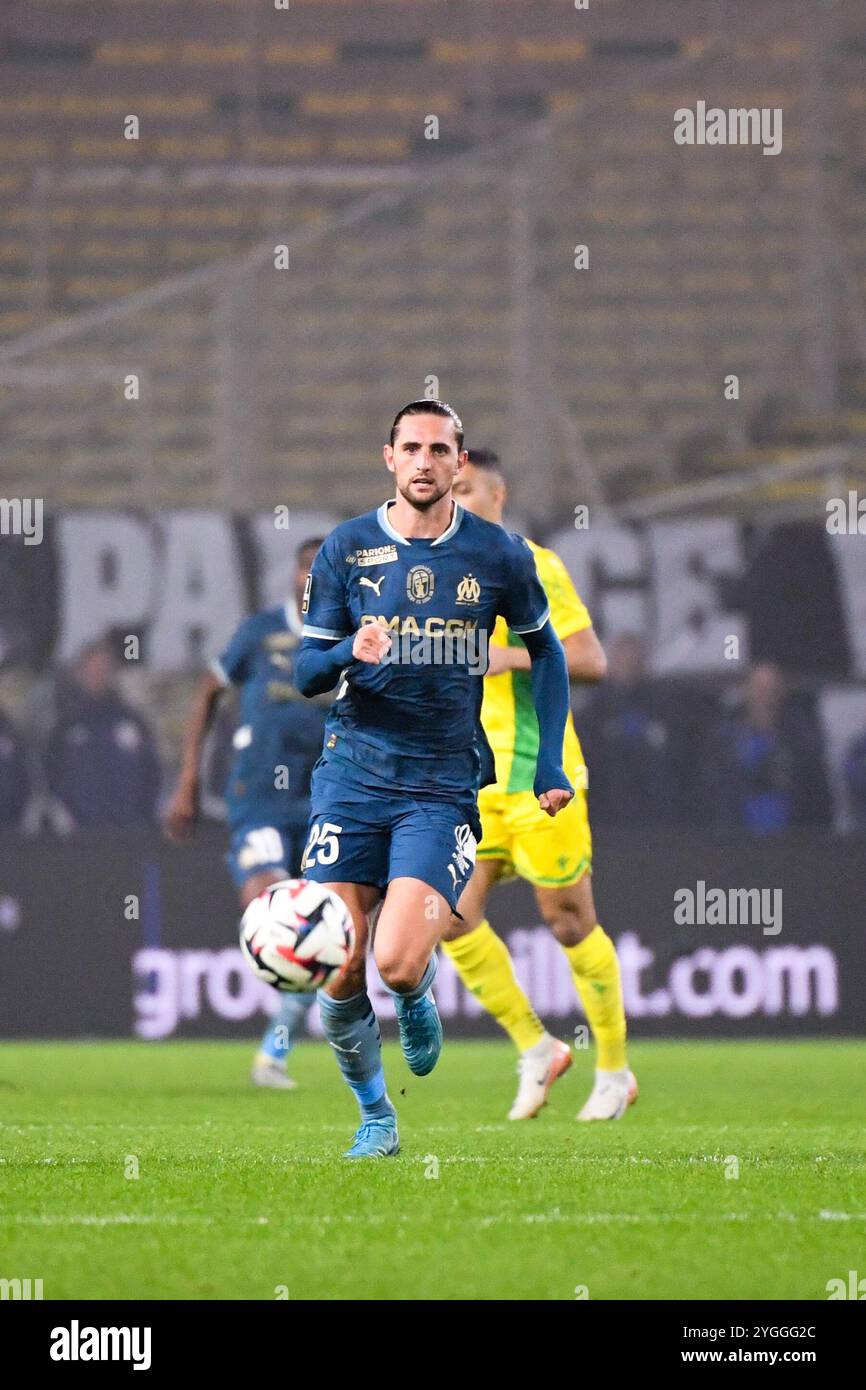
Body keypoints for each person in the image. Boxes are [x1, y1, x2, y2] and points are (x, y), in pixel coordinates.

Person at [294, 400, 574, 1159]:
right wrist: (355, 646)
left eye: (439, 450)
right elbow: (305, 671)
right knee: (341, 962)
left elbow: (548, 653)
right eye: (410, 448)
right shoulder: (347, 550)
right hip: (351, 775)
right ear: (389, 457)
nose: (424, 462)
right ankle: (377, 1117)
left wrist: (547, 761)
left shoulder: (499, 556)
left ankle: (414, 994)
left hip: (440, 781)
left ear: (460, 465)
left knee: (395, 959)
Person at [441, 451, 636, 1121]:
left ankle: (613, 1070)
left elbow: (590, 661)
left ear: (499, 495)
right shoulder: (432, 576)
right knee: (451, 919)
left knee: (568, 920)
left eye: (468, 489)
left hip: (536, 773)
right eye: (449, 490)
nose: (456, 500)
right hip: (468, 781)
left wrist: (506, 657)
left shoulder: (533, 565)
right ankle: (536, 1048)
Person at [166, 538, 327, 1089]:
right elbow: (207, 692)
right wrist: (188, 779)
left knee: (327, 924)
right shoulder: (257, 633)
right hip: (258, 796)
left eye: (322, 570)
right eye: (305, 568)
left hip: (329, 797)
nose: (311, 578)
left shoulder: (355, 639)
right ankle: (290, 1035)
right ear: (293, 574)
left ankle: (274, 1052)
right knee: (273, 909)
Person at [46, 639, 161, 828]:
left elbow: (152, 774)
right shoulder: (65, 727)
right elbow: (52, 777)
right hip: (80, 837)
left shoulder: (132, 722)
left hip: (129, 833)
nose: (97, 675)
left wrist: (143, 818)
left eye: (103, 669)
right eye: (92, 670)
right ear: (79, 673)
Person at [706, 662, 832, 831]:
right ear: (745, 690)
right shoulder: (725, 738)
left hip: (793, 838)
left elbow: (815, 793)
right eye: (759, 688)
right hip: (736, 839)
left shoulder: (802, 741)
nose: (765, 695)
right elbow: (715, 790)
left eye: (771, 689)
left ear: (781, 692)